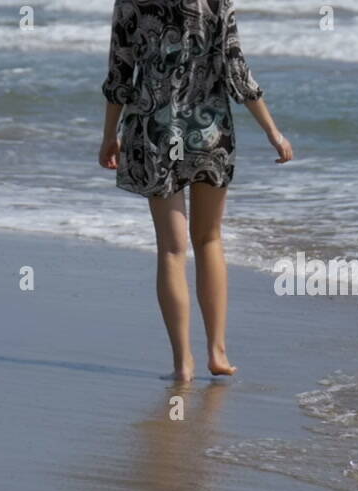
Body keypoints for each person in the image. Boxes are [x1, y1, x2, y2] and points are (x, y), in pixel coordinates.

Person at [98, 0, 293, 382]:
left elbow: (120, 72)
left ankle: (182, 363)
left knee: (172, 249)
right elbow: (236, 67)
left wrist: (109, 136)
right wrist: (273, 130)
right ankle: (217, 352)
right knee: (209, 240)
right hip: (210, 127)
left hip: (155, 127)